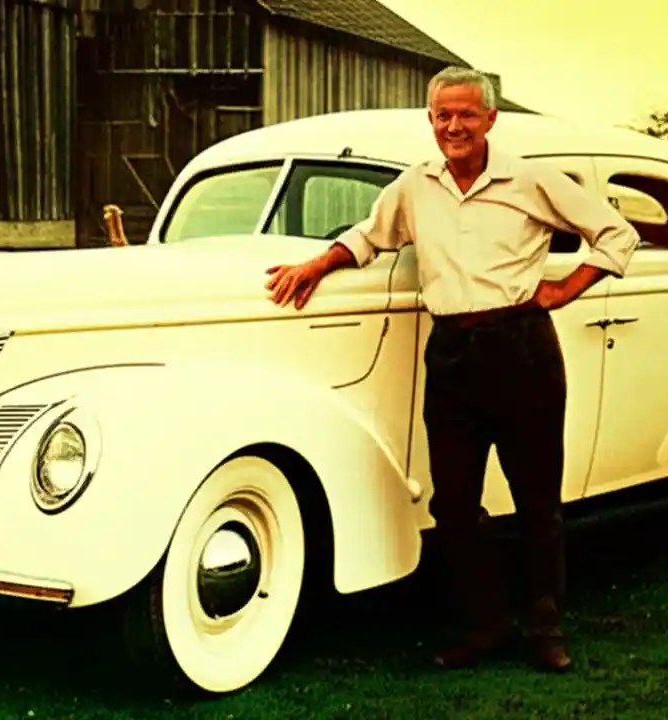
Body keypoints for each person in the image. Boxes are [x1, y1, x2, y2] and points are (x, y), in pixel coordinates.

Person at [264, 66, 640, 672]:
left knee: (537, 498)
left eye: (467, 114)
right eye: (444, 115)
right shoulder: (417, 187)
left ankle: (544, 628)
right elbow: (368, 235)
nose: (455, 126)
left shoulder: (533, 179)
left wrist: (567, 288)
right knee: (455, 503)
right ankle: (484, 624)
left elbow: (616, 233)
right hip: (452, 353)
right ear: (431, 121)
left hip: (521, 347)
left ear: (490, 119)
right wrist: (315, 265)